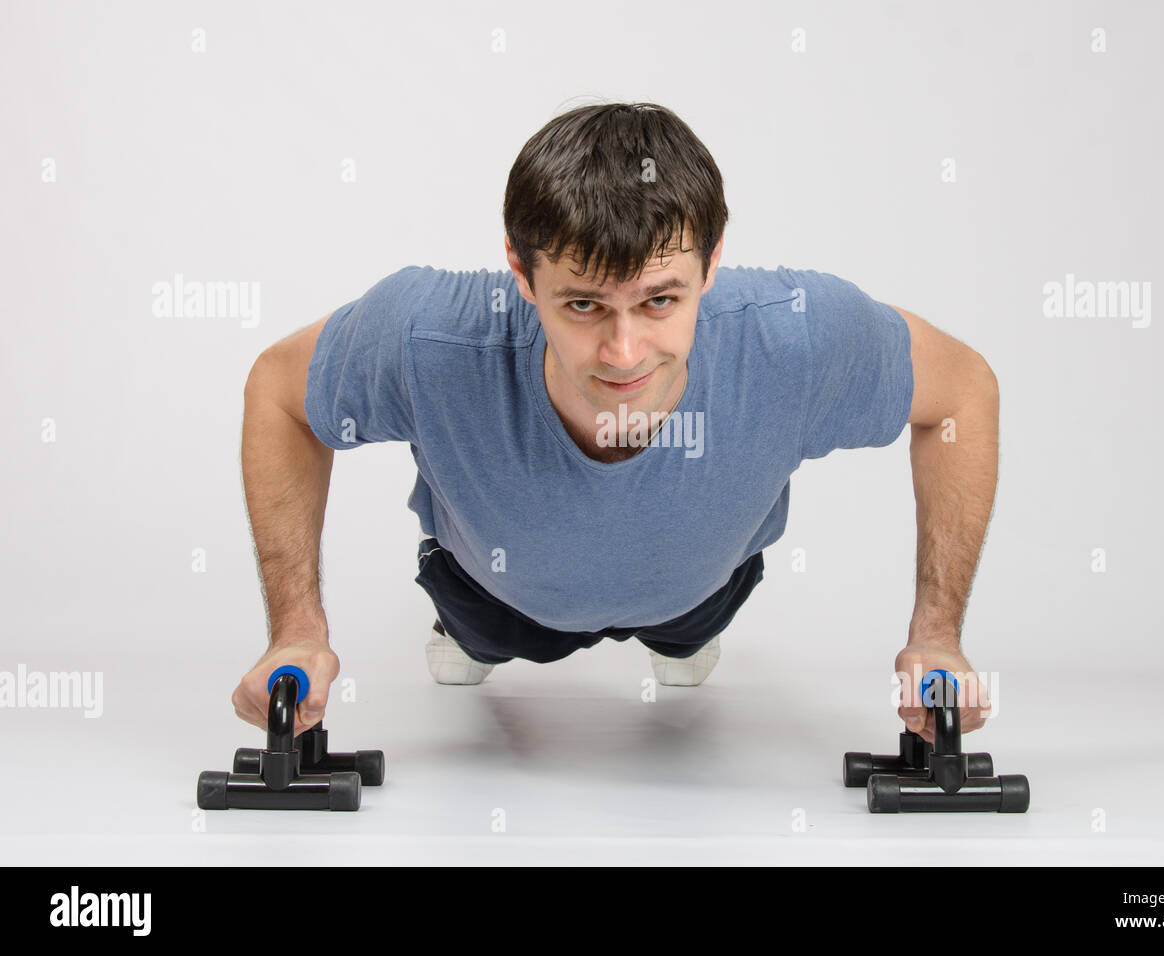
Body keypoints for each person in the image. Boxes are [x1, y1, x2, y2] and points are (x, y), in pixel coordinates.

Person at [231, 102, 999, 745]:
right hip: (495, 596)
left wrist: (937, 634)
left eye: (660, 300)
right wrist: (296, 629)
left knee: (687, 629)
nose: (624, 351)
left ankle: (684, 637)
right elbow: (278, 393)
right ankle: (472, 638)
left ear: (713, 262)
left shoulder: (795, 335)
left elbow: (963, 395)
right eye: (584, 304)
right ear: (520, 271)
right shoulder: (425, 336)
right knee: (481, 637)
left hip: (700, 587)